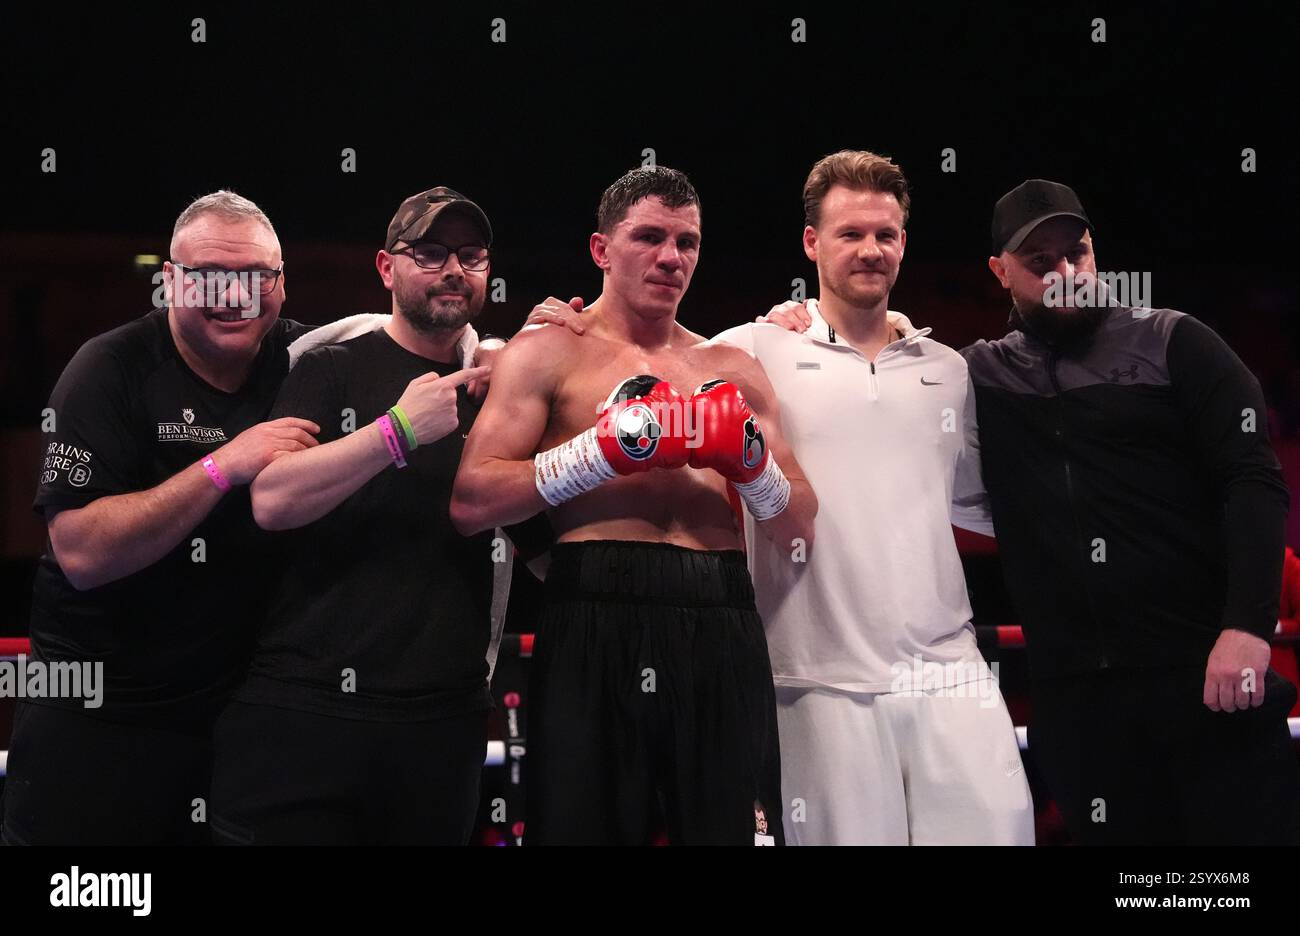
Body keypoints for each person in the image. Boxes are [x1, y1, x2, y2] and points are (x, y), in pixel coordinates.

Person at [763, 177, 1300, 844]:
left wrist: (1247, 625)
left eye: (1077, 253)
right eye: (1041, 262)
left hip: (1204, 667)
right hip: (1079, 699)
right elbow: (887, 367)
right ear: (1001, 272)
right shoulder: (979, 375)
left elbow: (1253, 479)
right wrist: (800, 326)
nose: (1065, 274)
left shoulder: (1175, 343)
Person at [526, 151, 1034, 845]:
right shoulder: (752, 349)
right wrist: (554, 327)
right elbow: (646, 350)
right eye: (850, 233)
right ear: (811, 243)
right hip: (811, 674)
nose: (870, 249)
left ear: (904, 242)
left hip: (949, 666)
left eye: (885, 234)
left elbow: (981, 502)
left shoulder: (949, 370)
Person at [450, 166, 817, 845]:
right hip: (592, 611)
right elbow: (472, 500)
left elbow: (799, 528)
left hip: (722, 615)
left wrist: (752, 467)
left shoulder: (733, 368)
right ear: (601, 249)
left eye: (687, 242)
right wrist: (597, 454)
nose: (670, 258)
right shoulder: (546, 351)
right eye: (649, 237)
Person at [208, 187, 534, 845]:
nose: (453, 270)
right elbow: (271, 500)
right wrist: (396, 432)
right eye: (430, 253)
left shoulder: (499, 390)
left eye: (471, 255)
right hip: (307, 710)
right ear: (387, 267)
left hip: (441, 725)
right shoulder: (333, 366)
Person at [3, 191, 320, 844]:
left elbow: (401, 342)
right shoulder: (107, 369)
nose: (234, 296)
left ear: (282, 282)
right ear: (170, 280)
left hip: (233, 723)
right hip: (97, 719)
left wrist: (485, 348)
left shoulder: (307, 359)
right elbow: (81, 553)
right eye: (210, 276)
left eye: (255, 276)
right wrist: (222, 466)